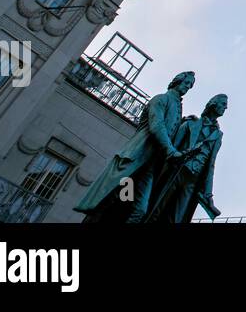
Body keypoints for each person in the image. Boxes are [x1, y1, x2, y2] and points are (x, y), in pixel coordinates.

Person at [75, 70, 193, 223]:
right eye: (186, 83)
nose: (188, 87)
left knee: (139, 210)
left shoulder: (177, 108)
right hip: (135, 159)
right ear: (177, 81)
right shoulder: (161, 99)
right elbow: (157, 125)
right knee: (112, 201)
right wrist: (170, 150)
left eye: (190, 85)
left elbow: (171, 129)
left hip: (149, 166)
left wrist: (186, 123)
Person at [146, 93, 226, 223]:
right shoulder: (190, 123)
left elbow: (211, 165)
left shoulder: (218, 135)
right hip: (177, 170)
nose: (225, 107)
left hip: (193, 180)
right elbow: (173, 147)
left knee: (177, 218)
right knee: (156, 208)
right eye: (223, 104)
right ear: (213, 104)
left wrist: (208, 193)